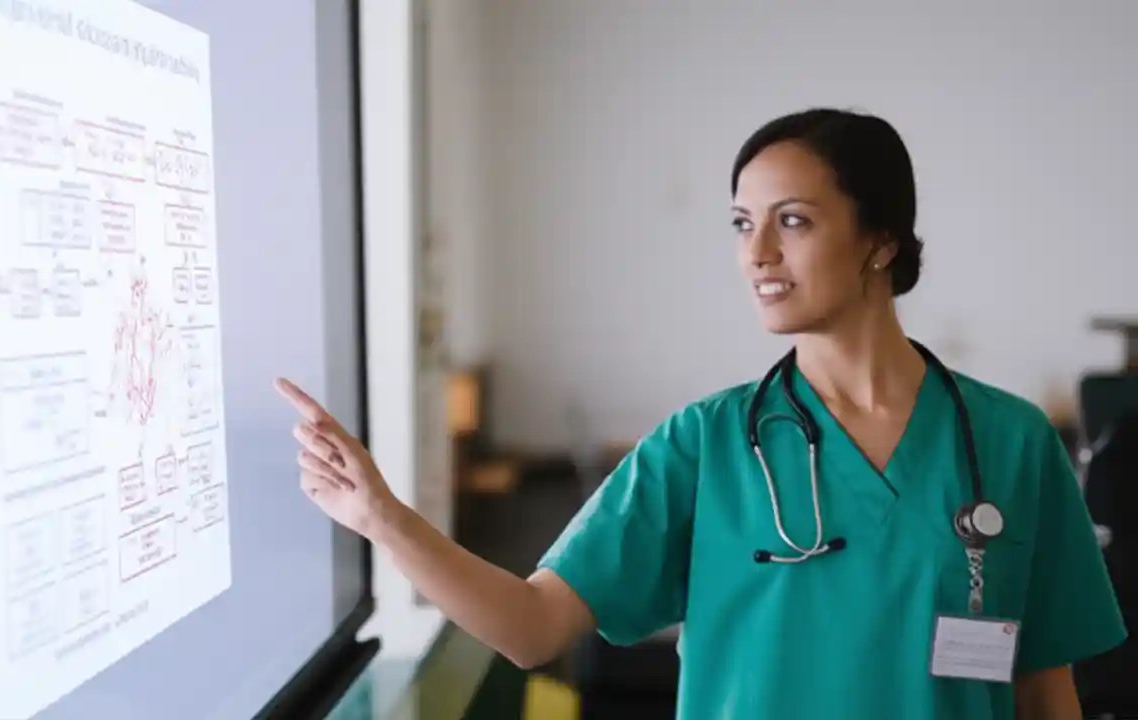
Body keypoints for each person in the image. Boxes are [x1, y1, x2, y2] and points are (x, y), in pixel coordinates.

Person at [275, 108, 1127, 719]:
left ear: (881, 240)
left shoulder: (1011, 444)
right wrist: (382, 519)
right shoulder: (706, 444)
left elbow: (1045, 692)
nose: (756, 253)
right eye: (741, 222)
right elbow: (533, 628)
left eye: (792, 221)